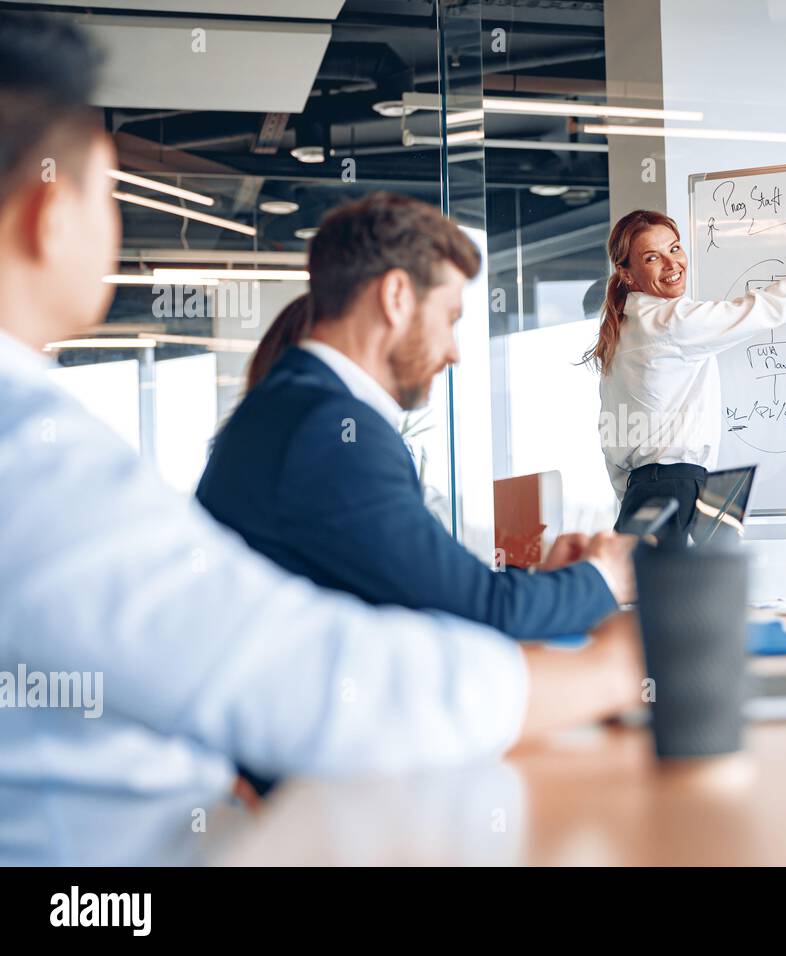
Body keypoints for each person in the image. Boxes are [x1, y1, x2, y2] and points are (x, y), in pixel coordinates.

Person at [0, 11, 642, 863]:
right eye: (108, 192)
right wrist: (607, 663)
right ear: (51, 210)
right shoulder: (38, 454)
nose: (456, 349)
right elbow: (323, 680)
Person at [198, 193, 634, 640]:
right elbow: (477, 612)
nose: (453, 352)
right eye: (449, 318)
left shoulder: (288, 406)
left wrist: (545, 585)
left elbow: (421, 592)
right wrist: (606, 576)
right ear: (397, 296)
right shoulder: (328, 429)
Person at [586, 210, 786, 545]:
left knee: (651, 596)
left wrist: (639, 495)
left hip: (647, 495)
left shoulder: (624, 330)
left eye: (675, 248)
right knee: (680, 596)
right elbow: (767, 307)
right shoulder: (670, 322)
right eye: (652, 257)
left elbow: (614, 433)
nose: (672, 265)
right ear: (627, 274)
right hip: (674, 491)